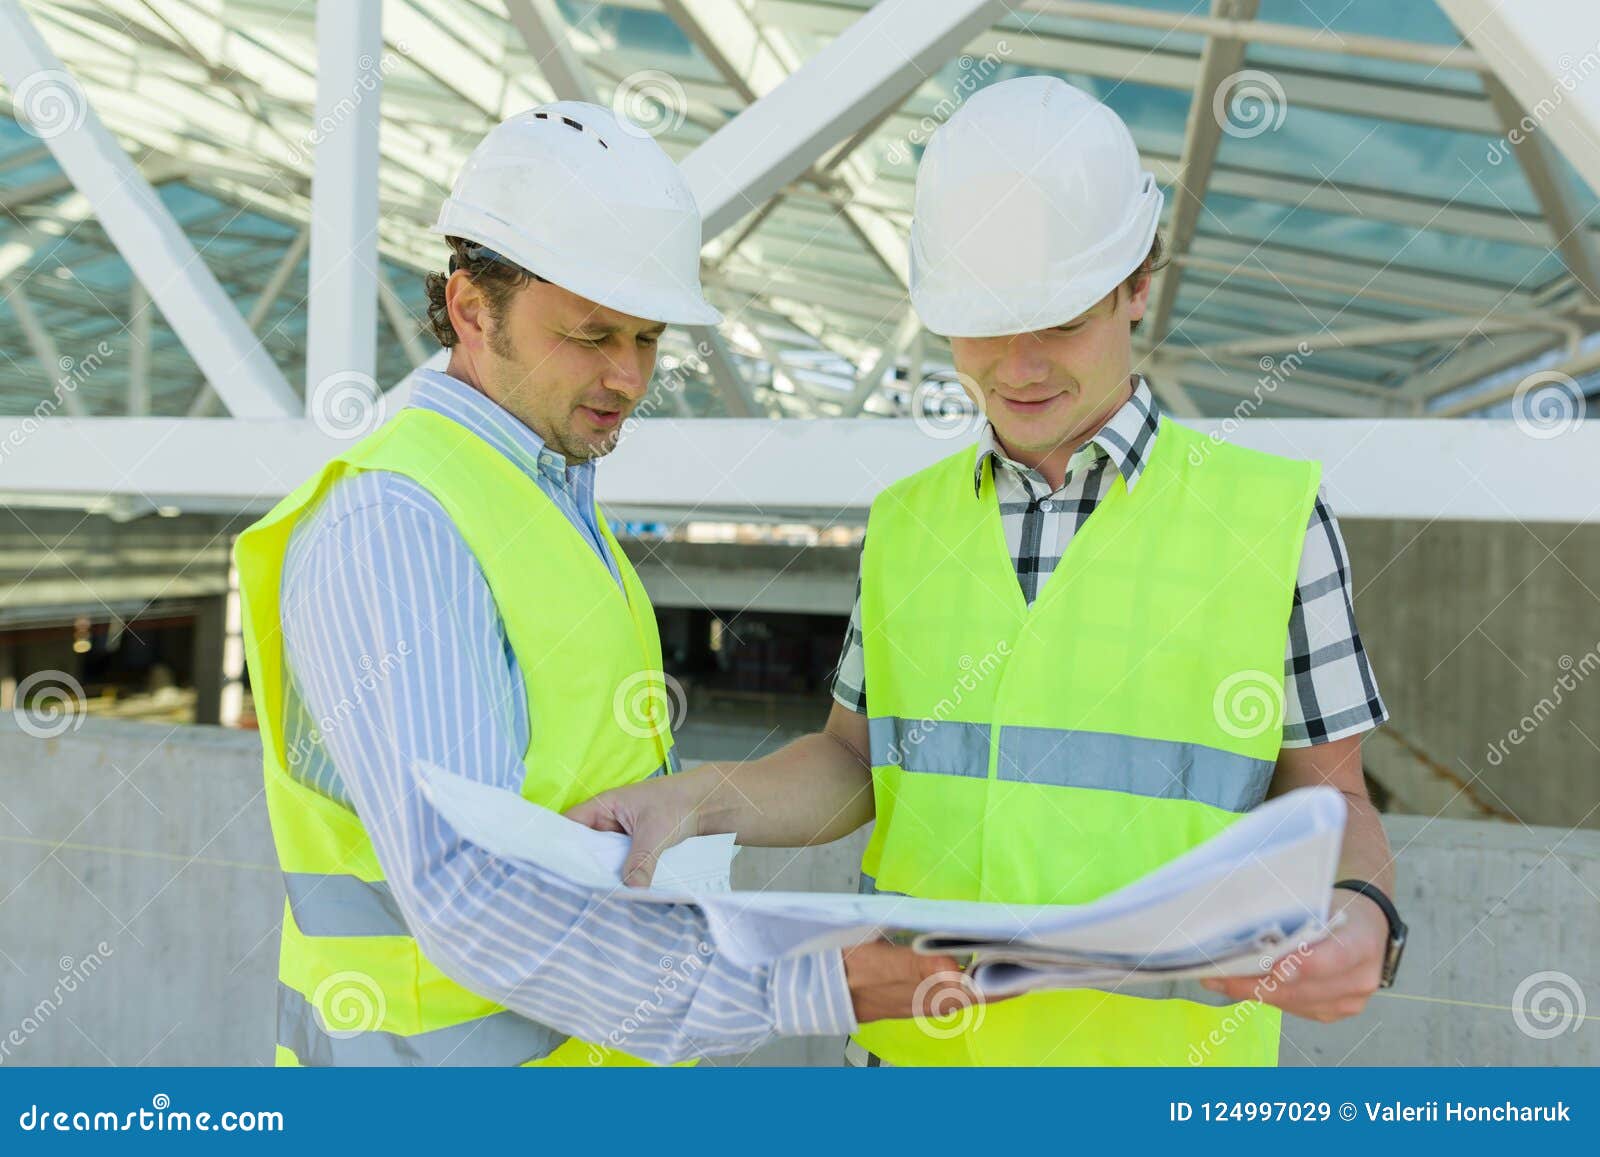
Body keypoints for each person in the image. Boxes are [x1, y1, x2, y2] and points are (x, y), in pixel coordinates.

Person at [567, 77, 1401, 1067]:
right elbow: (850, 761)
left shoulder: (1274, 519)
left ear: (1138, 285)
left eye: (1057, 321)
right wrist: (697, 797)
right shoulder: (907, 522)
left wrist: (1364, 912)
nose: (1016, 365)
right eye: (982, 324)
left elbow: (1333, 798)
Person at [232, 102, 963, 1067]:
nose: (628, 376)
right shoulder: (397, 524)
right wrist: (808, 981)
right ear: (469, 306)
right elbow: (465, 890)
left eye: (648, 339)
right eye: (592, 334)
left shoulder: (544, 498)